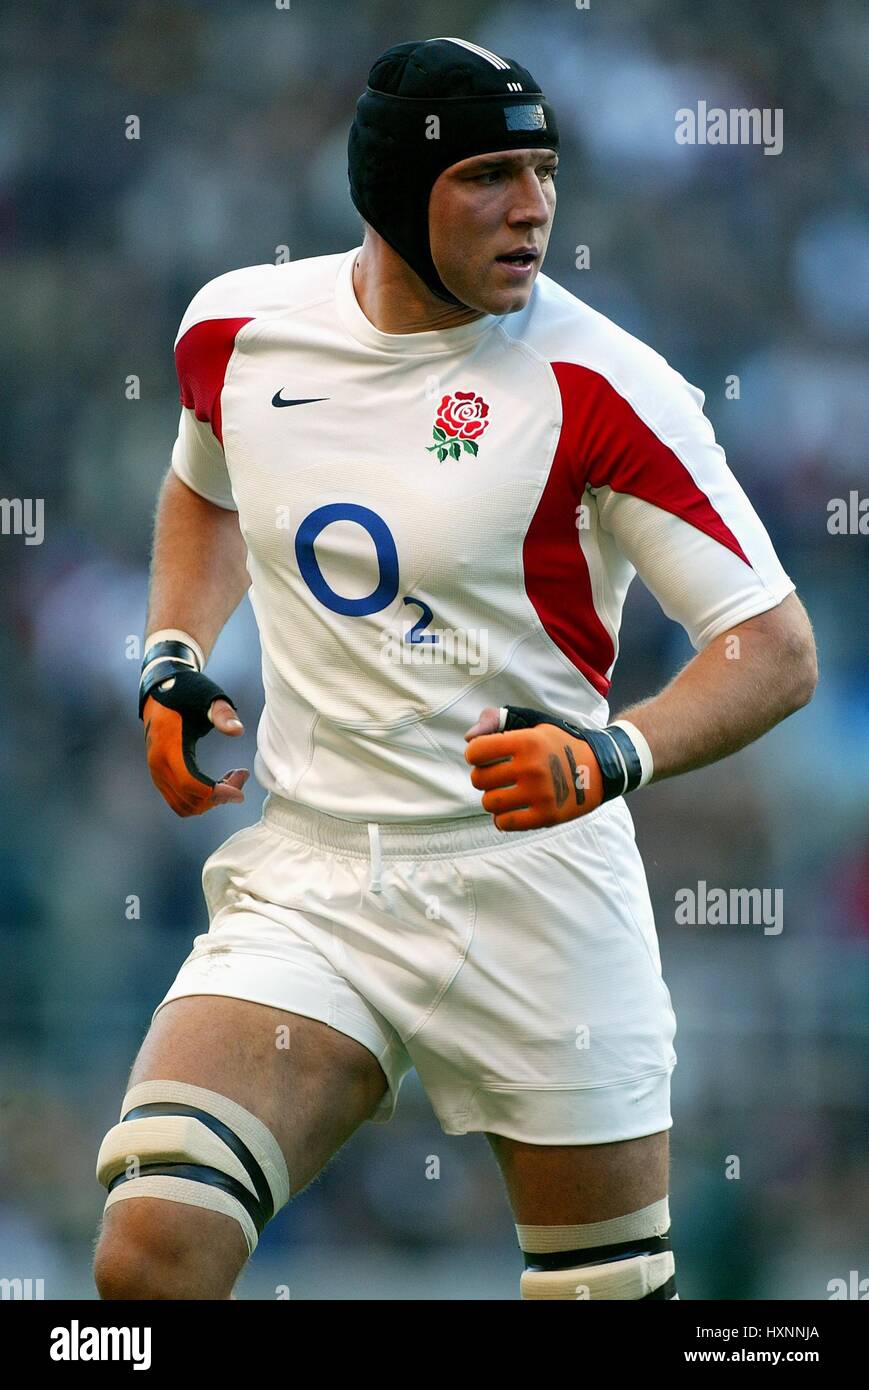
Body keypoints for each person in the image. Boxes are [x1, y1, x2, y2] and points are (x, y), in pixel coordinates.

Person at [92, 36, 817, 1301]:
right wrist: (172, 655)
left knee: (599, 1294)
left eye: (541, 170)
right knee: (151, 1257)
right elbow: (204, 490)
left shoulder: (603, 384)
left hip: (533, 887)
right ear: (389, 192)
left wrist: (611, 753)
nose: (531, 205)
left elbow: (771, 647)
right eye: (488, 173)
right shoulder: (237, 330)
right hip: (318, 875)